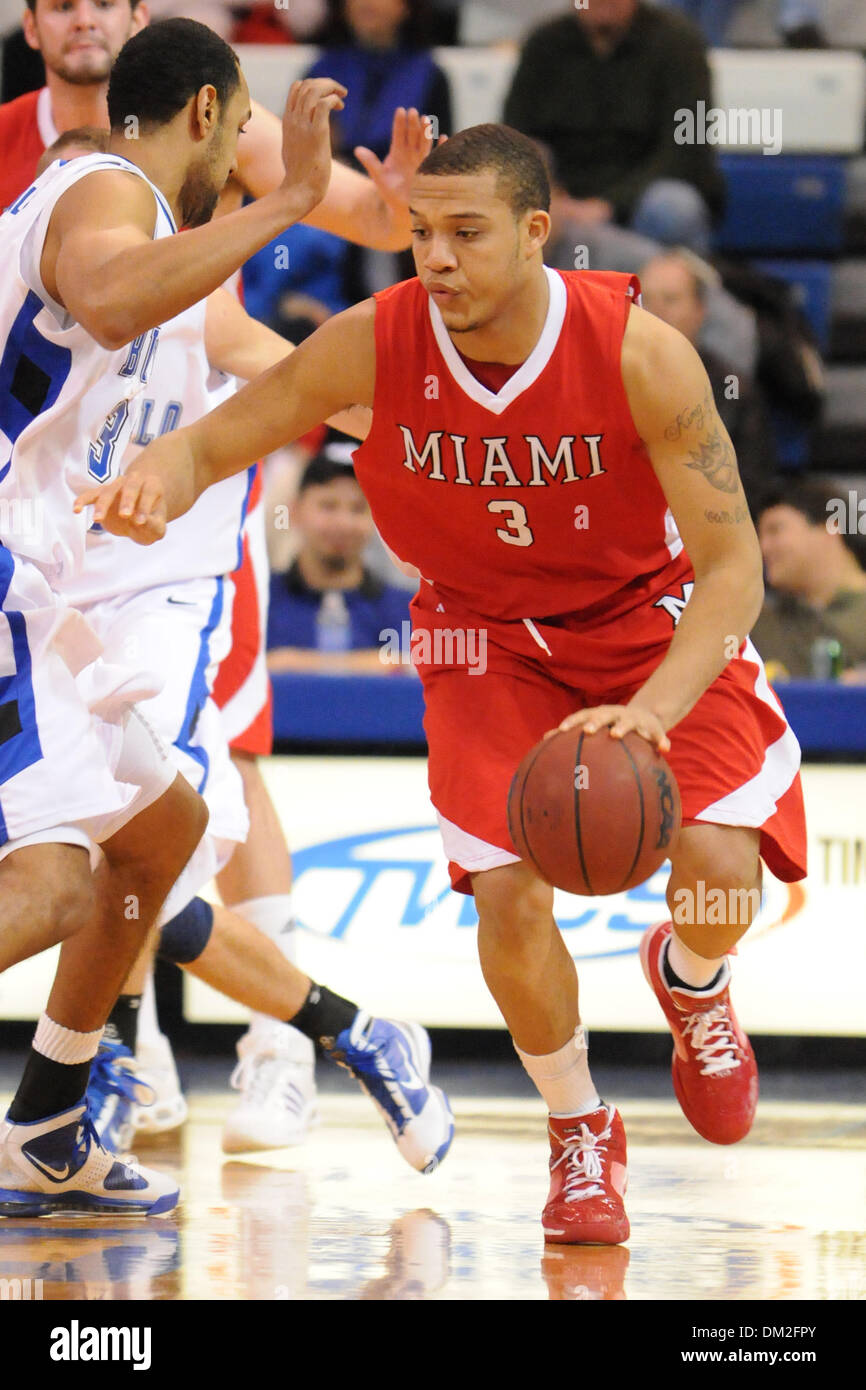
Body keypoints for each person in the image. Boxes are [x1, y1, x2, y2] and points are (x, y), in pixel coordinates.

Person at [82, 123, 808, 1244]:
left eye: (465, 233)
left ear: (534, 232)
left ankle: (692, 978)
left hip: (644, 624)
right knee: (509, 887)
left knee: (716, 869)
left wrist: (650, 710)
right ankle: (577, 1130)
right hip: (484, 636)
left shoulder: (637, 351)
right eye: (420, 233)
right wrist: (152, 477)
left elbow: (732, 571)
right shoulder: (370, 342)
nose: (437, 257)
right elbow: (220, 440)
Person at [0, 21, 452, 1215]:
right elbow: (101, 298)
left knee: (156, 837)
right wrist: (292, 199)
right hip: (21, 575)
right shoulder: (108, 191)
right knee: (52, 887)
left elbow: (272, 362)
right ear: (206, 116)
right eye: (242, 139)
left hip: (44, 584)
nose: (247, 172)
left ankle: (48, 1113)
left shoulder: (147, 232)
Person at [503, 0, 725, 256]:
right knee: (523, 207)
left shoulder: (679, 44)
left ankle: (670, 290)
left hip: (643, 198)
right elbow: (518, 139)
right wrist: (553, 196)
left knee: (673, 205)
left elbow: (687, 150)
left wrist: (609, 205)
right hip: (563, 200)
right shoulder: (543, 44)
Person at [640, 249, 778, 508]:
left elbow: (752, 487)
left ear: (699, 311)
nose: (655, 311)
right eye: (646, 299)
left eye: (670, 299)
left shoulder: (735, 392)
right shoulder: (606, 383)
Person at [267, 448, 411, 674]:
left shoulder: (408, 611)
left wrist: (290, 663)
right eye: (328, 506)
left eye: (358, 508)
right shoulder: (260, 602)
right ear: (295, 512)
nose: (343, 523)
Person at [751, 481, 866, 680]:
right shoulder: (757, 623)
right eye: (761, 536)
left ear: (830, 527)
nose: (764, 547)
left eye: (775, 530)